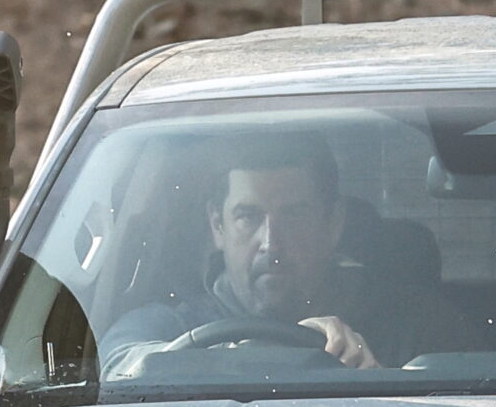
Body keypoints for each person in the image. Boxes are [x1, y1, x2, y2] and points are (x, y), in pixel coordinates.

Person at [104, 132, 464, 376]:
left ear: (333, 222)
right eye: (248, 217)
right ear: (217, 226)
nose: (271, 242)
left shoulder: (414, 328)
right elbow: (118, 368)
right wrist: (244, 350)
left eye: (294, 215)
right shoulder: (166, 328)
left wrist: (385, 386)